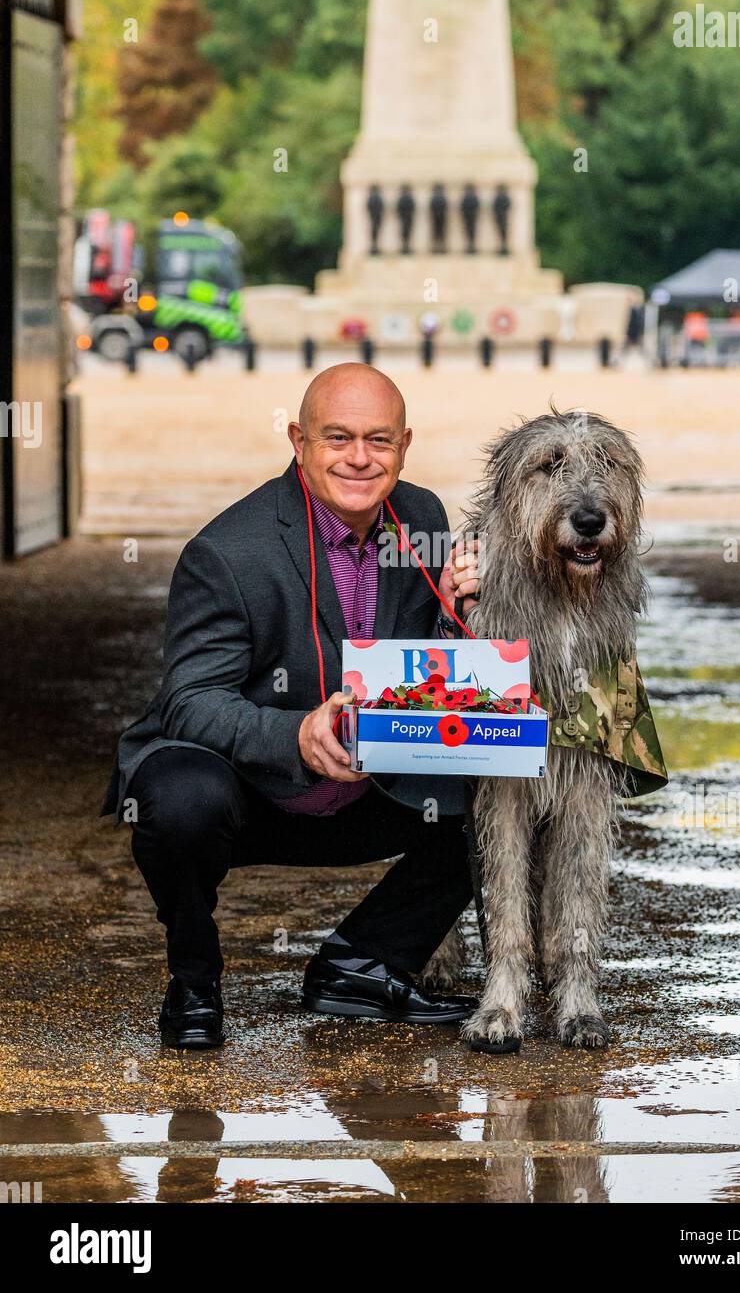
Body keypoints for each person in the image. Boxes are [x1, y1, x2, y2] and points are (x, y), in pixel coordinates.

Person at [101, 363, 481, 1048]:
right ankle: (193, 980)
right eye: (337, 438)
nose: (360, 458)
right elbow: (189, 702)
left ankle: (362, 964)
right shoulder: (227, 551)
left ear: (406, 444)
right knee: (179, 795)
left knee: (510, 775)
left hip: (373, 791)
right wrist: (295, 734)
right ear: (297, 440)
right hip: (251, 797)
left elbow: (425, 676)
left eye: (379, 440)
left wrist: (459, 617)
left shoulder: (422, 518)